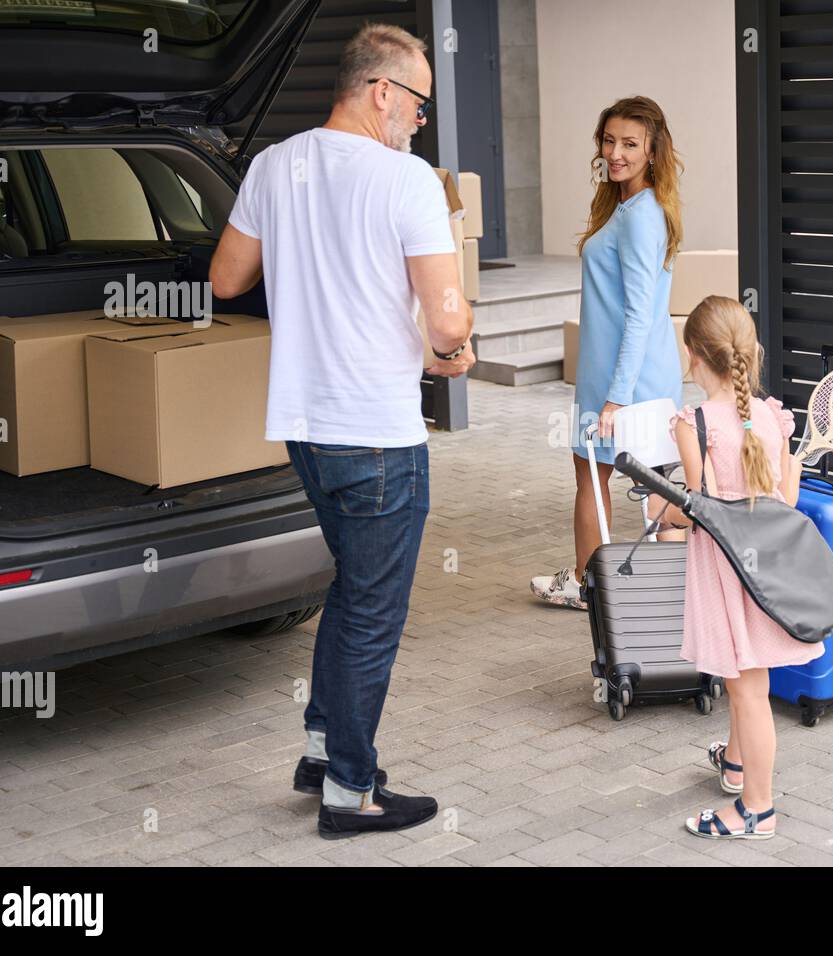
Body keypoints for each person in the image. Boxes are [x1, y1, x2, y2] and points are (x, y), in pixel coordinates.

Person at [209, 22, 475, 839]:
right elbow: (443, 322)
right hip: (378, 434)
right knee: (372, 609)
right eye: (419, 104)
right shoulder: (408, 182)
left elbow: (224, 280)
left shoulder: (272, 165)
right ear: (382, 91)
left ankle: (324, 752)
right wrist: (458, 347)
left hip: (306, 427)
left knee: (351, 593)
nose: (420, 122)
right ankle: (349, 792)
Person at [660, 295, 821, 841]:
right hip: (767, 575)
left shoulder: (694, 423)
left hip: (727, 574)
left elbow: (699, 509)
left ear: (692, 356)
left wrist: (665, 519)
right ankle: (734, 764)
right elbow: (788, 505)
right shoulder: (774, 418)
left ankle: (757, 809)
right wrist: (791, 469)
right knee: (745, 677)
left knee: (748, 689)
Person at [530, 96, 685, 610]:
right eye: (609, 140)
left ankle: (591, 587)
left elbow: (640, 315)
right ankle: (664, 594)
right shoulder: (630, 206)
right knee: (654, 488)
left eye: (630, 144)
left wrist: (616, 398)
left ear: (652, 150)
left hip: (622, 384)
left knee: (599, 484)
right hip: (629, 376)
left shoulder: (640, 216)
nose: (615, 152)